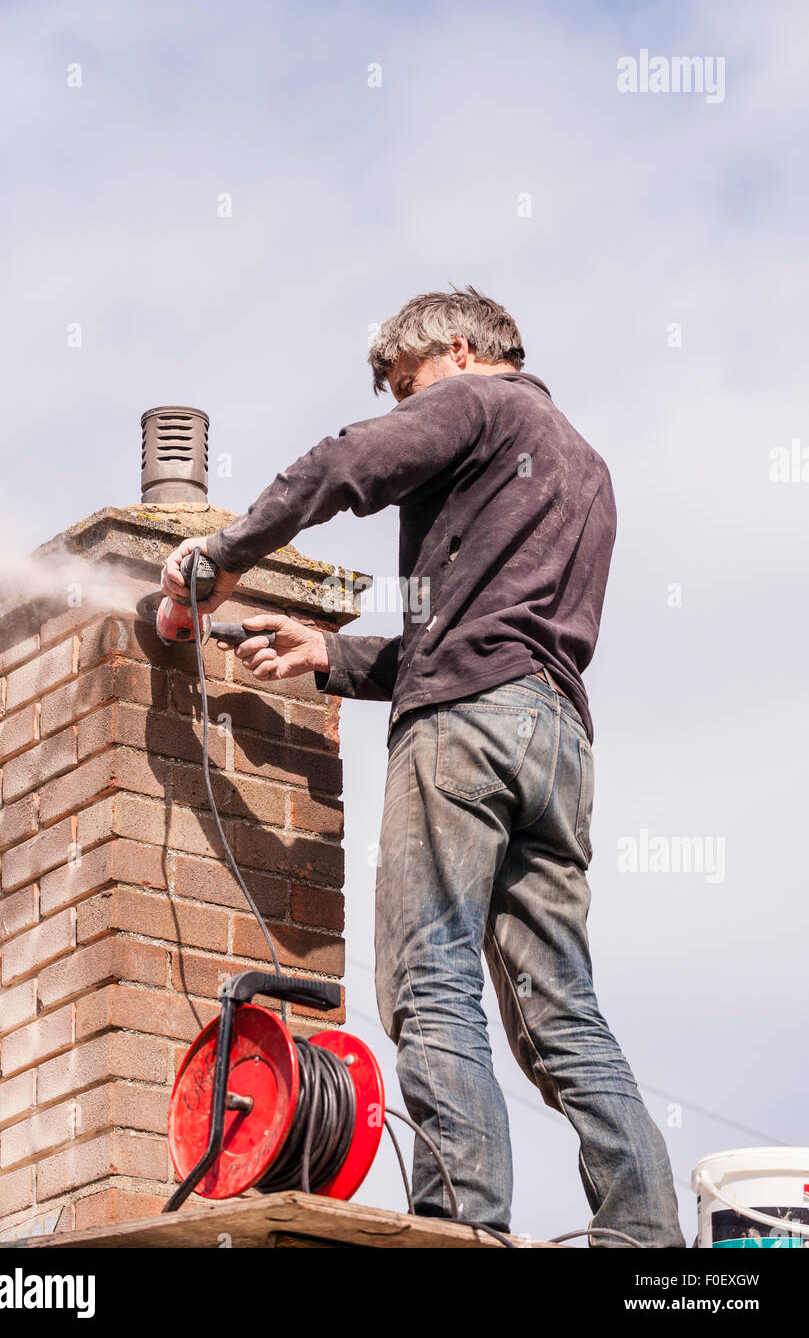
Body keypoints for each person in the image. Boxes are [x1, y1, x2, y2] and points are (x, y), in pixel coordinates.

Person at [161, 286, 684, 1246]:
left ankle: (460, 1226)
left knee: (427, 976)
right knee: (558, 1006)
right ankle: (645, 1232)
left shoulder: (480, 400)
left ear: (455, 348)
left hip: (463, 736)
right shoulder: (588, 466)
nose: (407, 409)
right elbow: (488, 632)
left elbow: (343, 463)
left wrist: (224, 558)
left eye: (408, 386)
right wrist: (329, 655)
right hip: (553, 740)